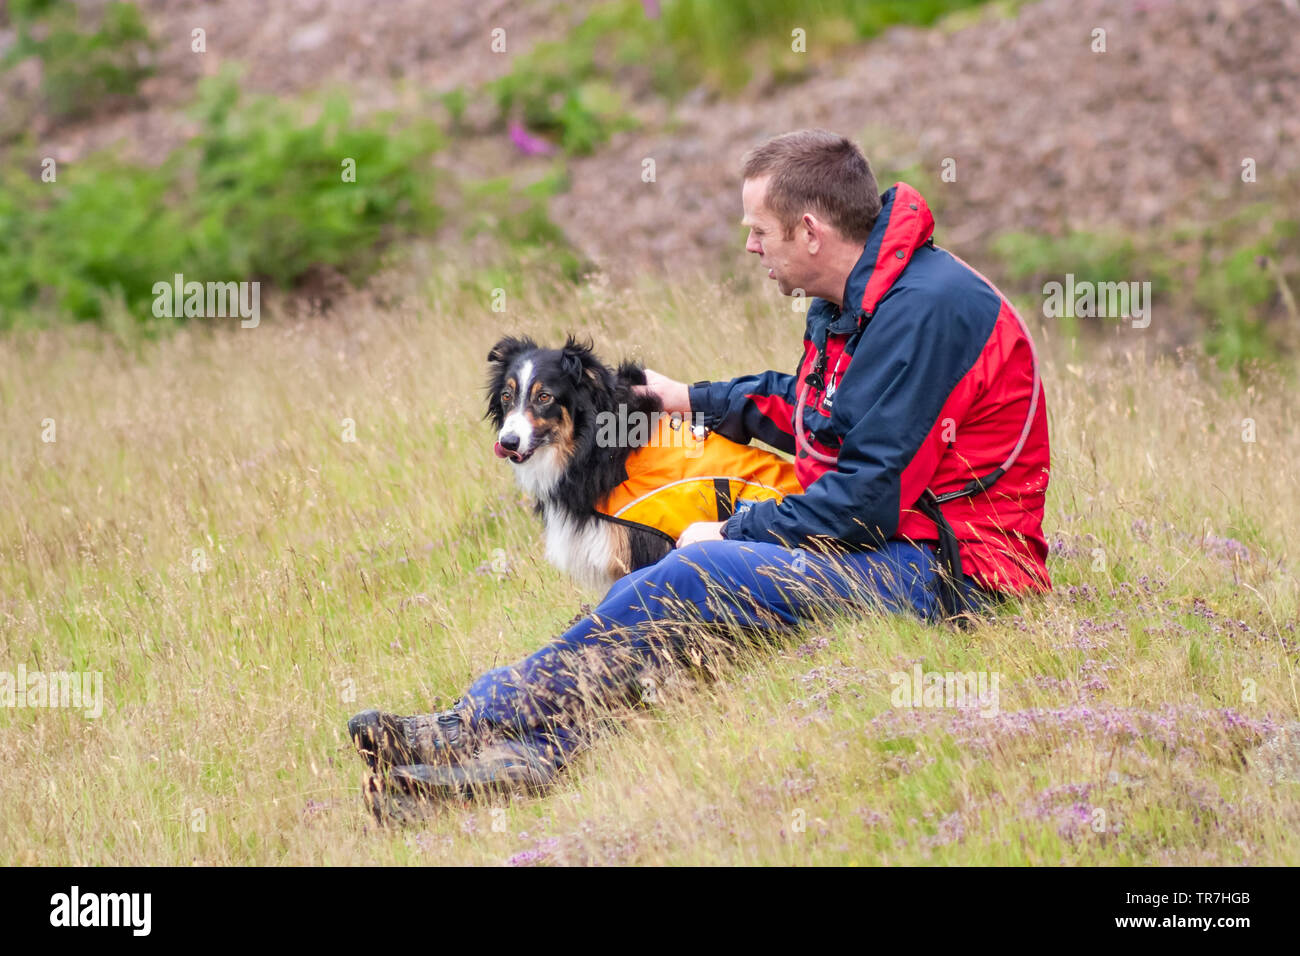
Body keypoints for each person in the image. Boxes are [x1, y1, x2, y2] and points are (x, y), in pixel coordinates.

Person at [348, 128, 1051, 809]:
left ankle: (473, 722)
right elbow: (814, 410)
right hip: (898, 543)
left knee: (696, 572)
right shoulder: (855, 301)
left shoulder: (921, 314)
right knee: (672, 594)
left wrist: (735, 530)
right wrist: (692, 399)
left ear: (809, 231)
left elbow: (865, 502)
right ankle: (532, 753)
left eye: (758, 230)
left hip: (954, 571)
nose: (749, 246)